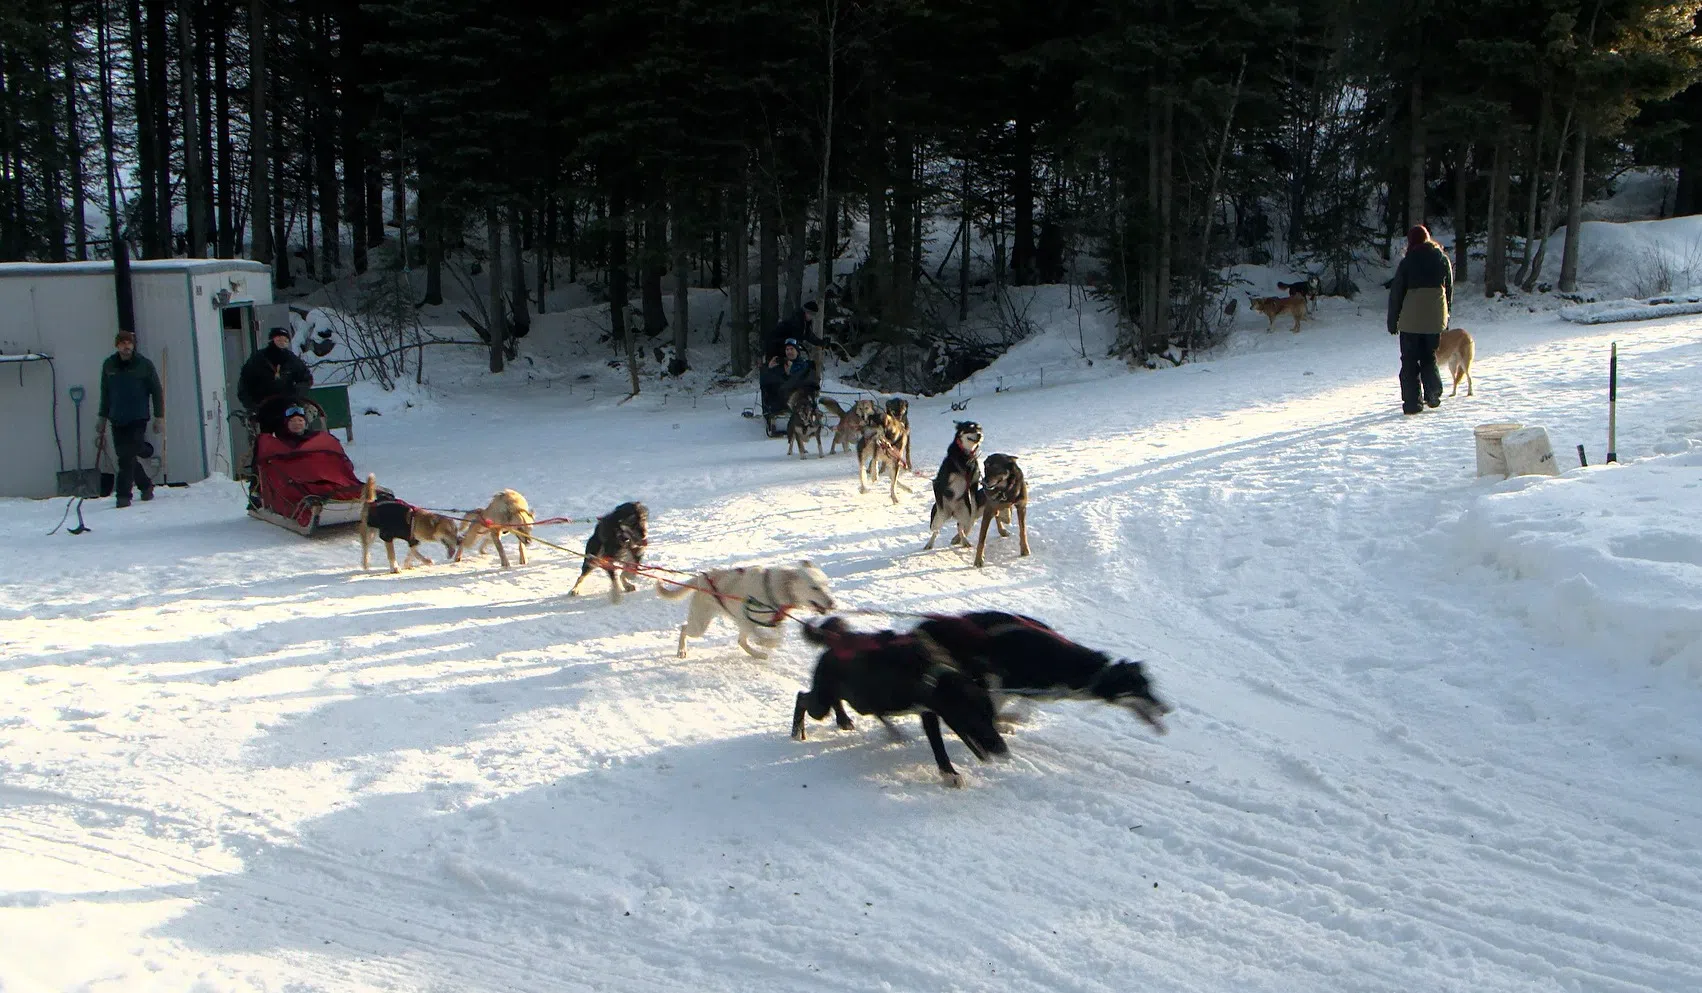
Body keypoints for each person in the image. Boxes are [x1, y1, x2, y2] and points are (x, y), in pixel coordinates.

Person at [1386, 224, 1453, 415]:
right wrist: (1446, 316)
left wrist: (1393, 321)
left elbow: (1397, 293)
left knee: (1409, 360)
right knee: (1428, 357)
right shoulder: (1442, 259)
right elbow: (1448, 291)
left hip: (1411, 321)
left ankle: (1412, 404)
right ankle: (1433, 393)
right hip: (1434, 319)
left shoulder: (1408, 262)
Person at [95, 331, 164, 508]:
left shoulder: (144, 365)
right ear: (117, 346)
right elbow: (105, 393)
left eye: (129, 343)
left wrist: (159, 417)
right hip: (117, 418)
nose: (126, 346)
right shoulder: (109, 365)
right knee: (126, 456)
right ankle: (146, 485)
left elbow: (156, 391)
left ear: (133, 345)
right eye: (123, 343)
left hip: (138, 417)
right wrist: (102, 417)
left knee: (127, 456)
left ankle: (123, 496)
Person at [238, 326, 314, 431]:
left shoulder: (291, 359)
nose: (282, 343)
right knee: (266, 441)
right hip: (263, 408)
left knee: (293, 436)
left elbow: (306, 379)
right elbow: (245, 383)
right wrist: (251, 405)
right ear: (272, 340)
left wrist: (297, 392)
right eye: (279, 339)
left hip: (288, 407)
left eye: (285, 340)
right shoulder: (259, 359)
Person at [759, 338, 817, 437]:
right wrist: (769, 369)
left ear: (797, 351)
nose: (789, 352)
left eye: (792, 349)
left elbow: (806, 381)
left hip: (799, 398)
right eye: (787, 350)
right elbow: (767, 382)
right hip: (781, 400)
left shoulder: (804, 365)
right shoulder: (781, 365)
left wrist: (790, 373)